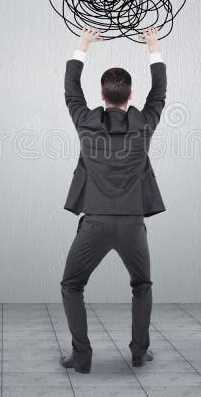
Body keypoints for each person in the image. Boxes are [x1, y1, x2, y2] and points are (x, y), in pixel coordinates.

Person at [59, 25, 167, 373]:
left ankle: (82, 355)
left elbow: (71, 92)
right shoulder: (144, 125)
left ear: (102, 96)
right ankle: (139, 352)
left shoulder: (86, 124)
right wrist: (153, 46)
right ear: (130, 95)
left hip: (94, 225)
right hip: (133, 225)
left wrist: (83, 45)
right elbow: (160, 94)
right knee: (143, 286)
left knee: (72, 285)